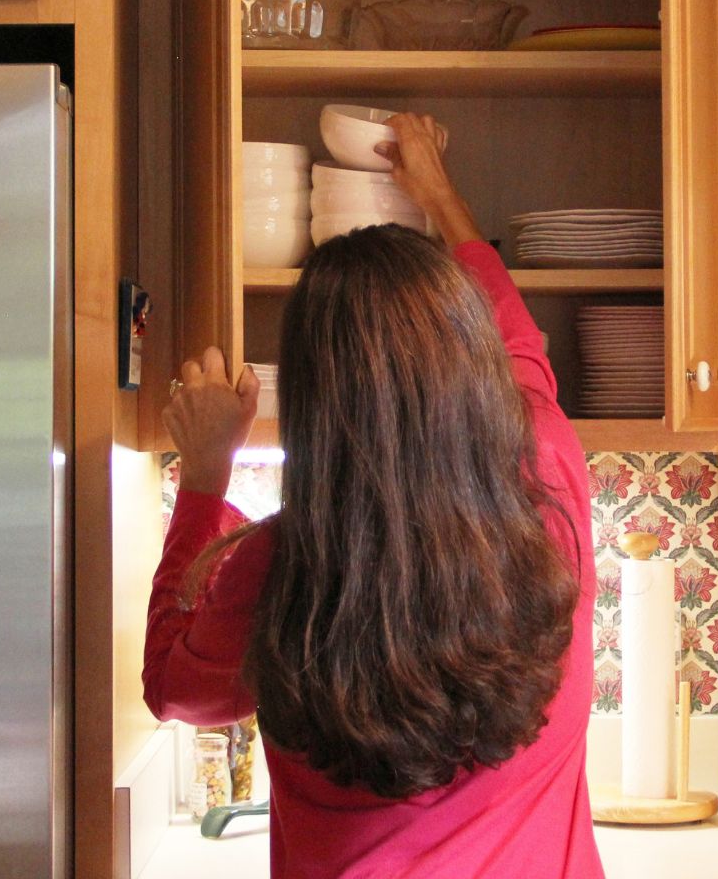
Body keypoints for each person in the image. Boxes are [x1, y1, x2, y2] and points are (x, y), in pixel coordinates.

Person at [143, 113, 603, 878]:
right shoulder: (547, 480)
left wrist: (203, 476)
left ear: (317, 402)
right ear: (474, 369)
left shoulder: (280, 567)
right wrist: (439, 193)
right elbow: (520, 342)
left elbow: (171, 687)